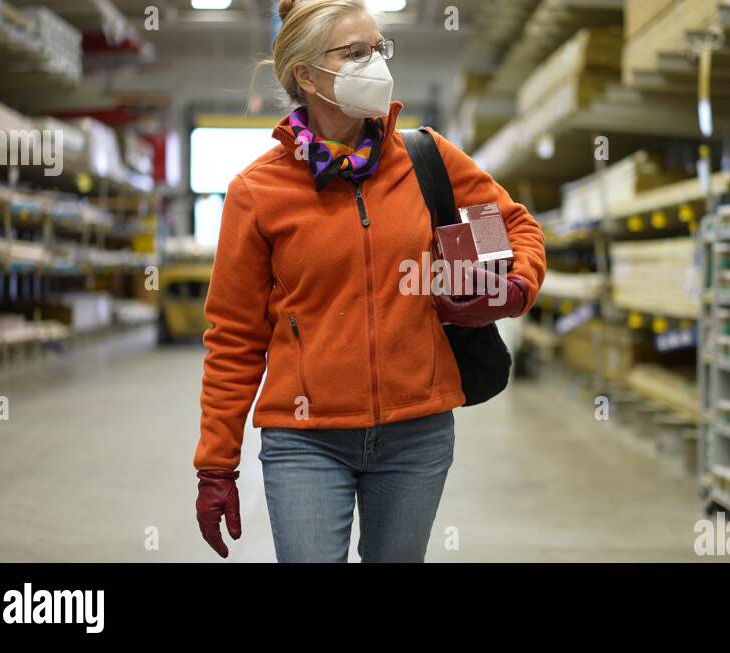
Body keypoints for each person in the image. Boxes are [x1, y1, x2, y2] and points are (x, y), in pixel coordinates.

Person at [194, 0, 546, 562]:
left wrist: (513, 287)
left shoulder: (428, 157)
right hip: (305, 439)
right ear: (306, 75)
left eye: (379, 49)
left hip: (417, 433)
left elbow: (516, 225)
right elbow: (233, 337)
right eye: (355, 53)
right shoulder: (256, 193)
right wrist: (216, 462)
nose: (375, 64)